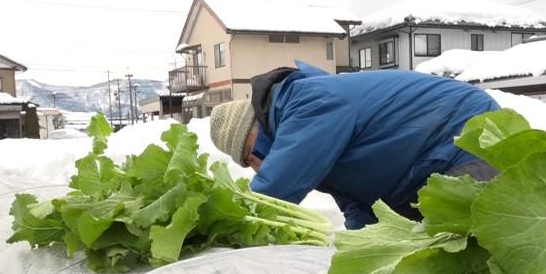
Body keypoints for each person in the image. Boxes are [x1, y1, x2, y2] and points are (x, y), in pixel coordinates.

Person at [209, 61, 500, 229]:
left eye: (250, 157)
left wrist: (227, 223)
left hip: (466, 136)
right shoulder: (313, 136)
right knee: (408, 253)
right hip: (427, 166)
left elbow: (275, 191)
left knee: (467, 252)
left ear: (253, 130)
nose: (257, 167)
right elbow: (360, 206)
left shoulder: (306, 103)